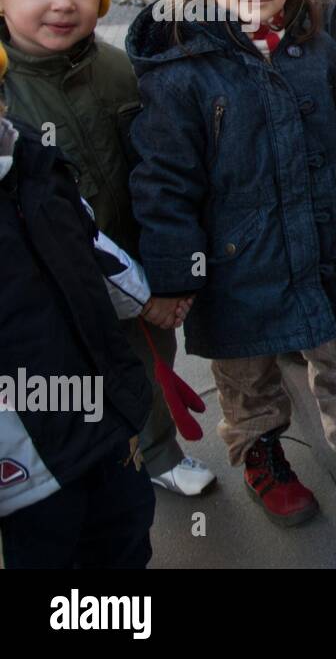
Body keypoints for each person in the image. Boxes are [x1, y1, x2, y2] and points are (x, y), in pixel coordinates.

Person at [127, 0, 336, 528]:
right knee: (248, 376)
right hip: (233, 262)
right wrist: (174, 272)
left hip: (320, 239)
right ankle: (261, 452)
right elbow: (165, 180)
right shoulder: (181, 73)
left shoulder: (314, 49)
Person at [0, 0, 215, 497]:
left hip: (134, 260)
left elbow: (157, 163)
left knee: (146, 361)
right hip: (55, 279)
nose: (63, 2)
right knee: (71, 375)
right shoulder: (4, 94)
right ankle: (91, 461)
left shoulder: (119, 66)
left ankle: (158, 452)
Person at [0, 42, 156, 569]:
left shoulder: (37, 170)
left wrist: (147, 299)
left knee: (126, 533)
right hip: (23, 465)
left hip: (103, 419)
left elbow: (94, 251)